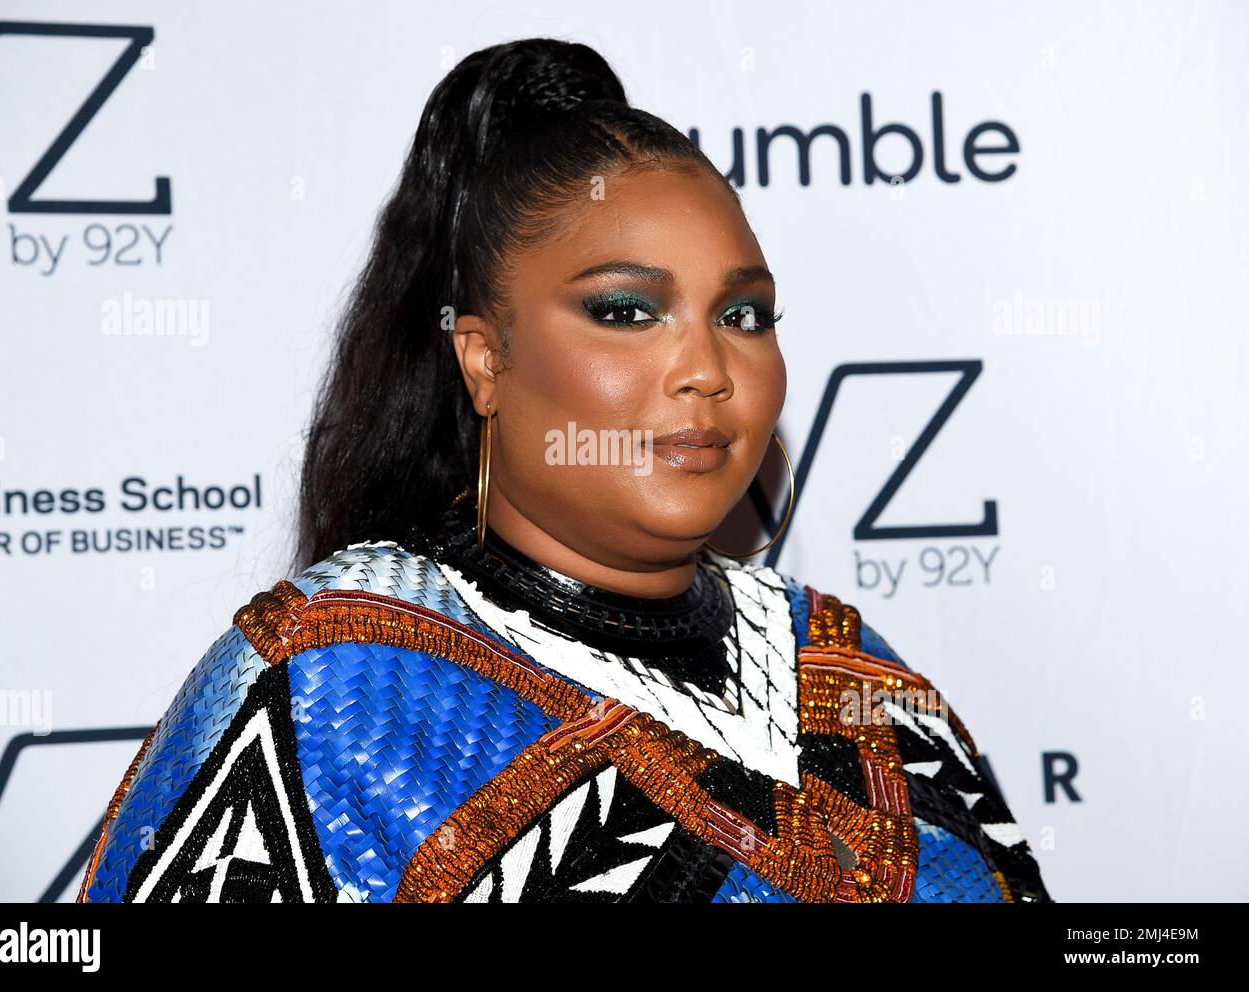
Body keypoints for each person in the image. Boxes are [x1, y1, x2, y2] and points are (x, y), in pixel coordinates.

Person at [78, 37, 1051, 904]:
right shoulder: (329, 686)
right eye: (626, 310)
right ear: (484, 358)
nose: (707, 368)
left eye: (742, 314)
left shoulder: (847, 665)